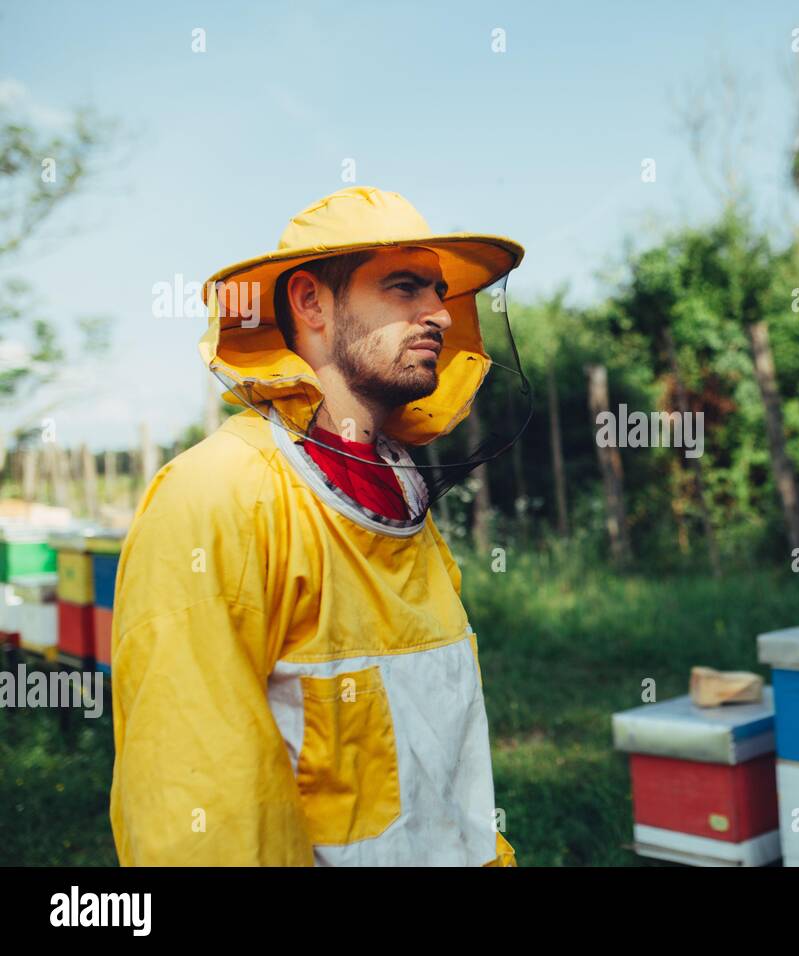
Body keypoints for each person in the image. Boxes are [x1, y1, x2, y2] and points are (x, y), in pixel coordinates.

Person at [109, 186, 523, 866]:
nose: (440, 316)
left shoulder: (401, 488)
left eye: (440, 292)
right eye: (404, 288)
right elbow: (200, 804)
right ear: (310, 303)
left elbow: (442, 768)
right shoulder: (216, 496)